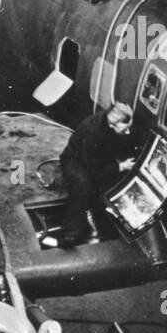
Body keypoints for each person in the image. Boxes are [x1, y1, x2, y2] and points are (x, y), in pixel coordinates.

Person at [55, 103, 138, 247]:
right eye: (126, 129)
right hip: (76, 161)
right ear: (112, 125)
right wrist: (120, 166)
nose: (129, 132)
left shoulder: (110, 123)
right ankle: (72, 234)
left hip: (97, 159)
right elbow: (94, 170)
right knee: (83, 186)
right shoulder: (92, 132)